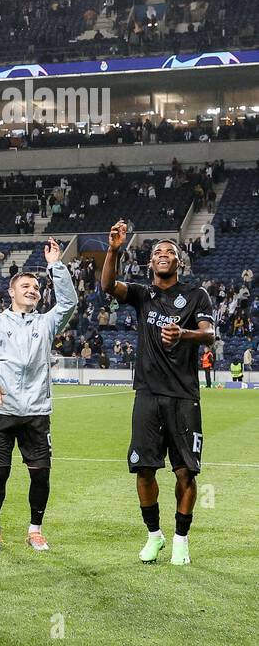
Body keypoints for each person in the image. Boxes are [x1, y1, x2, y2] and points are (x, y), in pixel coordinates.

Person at [101, 222, 214, 566]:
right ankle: (155, 536)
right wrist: (114, 250)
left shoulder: (197, 295)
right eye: (157, 253)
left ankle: (181, 539)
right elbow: (107, 285)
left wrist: (184, 334)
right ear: (149, 263)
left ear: (179, 261)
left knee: (185, 473)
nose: (163, 256)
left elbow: (209, 335)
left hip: (183, 396)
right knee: (144, 470)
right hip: (147, 395)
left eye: (170, 252)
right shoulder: (141, 295)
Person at [0, 239, 76, 551]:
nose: (32, 290)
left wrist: (56, 266)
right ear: (11, 292)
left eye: (36, 287)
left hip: (37, 411)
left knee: (40, 475)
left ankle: (35, 529)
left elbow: (68, 304)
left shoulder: (46, 323)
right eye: (25, 285)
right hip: (0, 410)